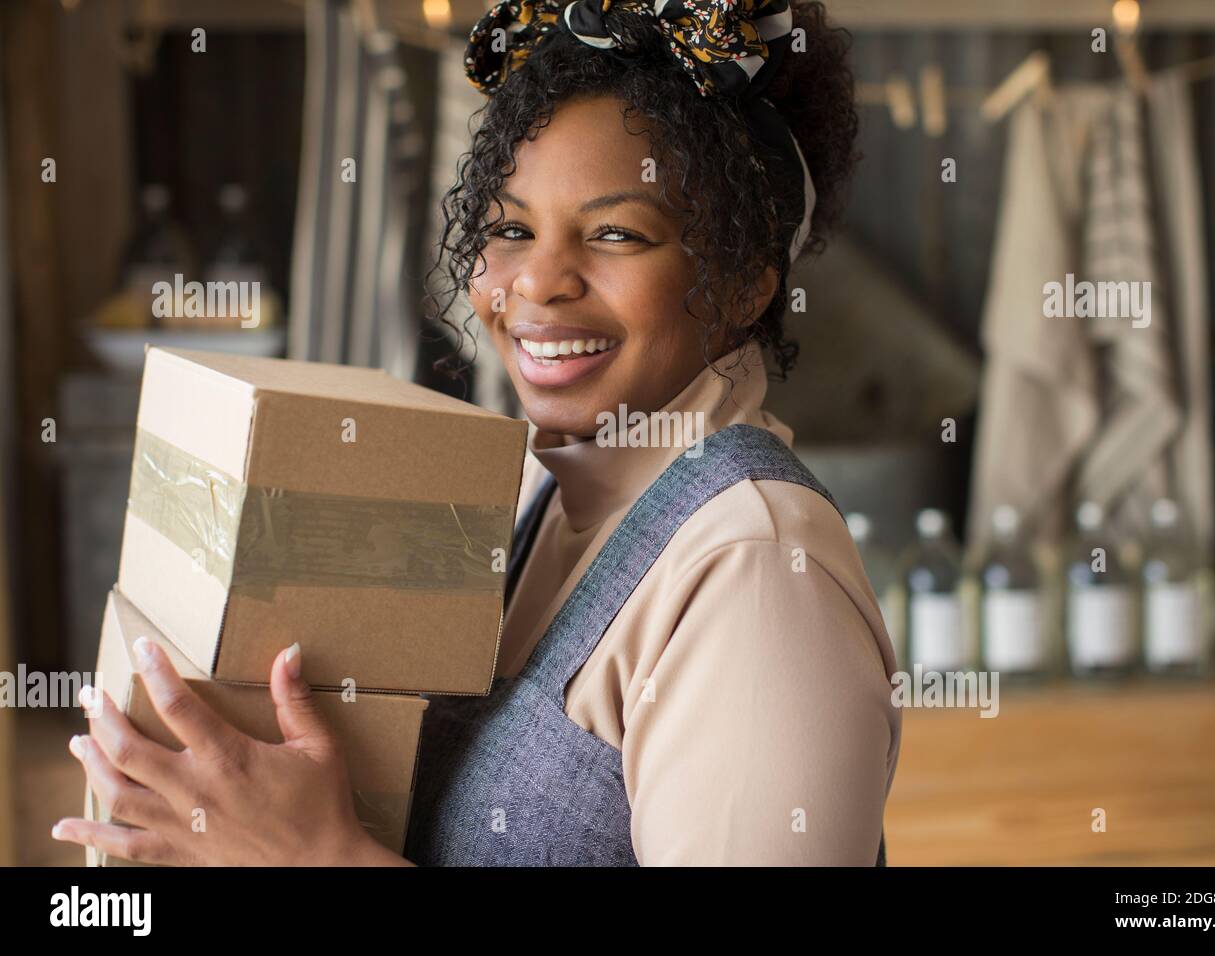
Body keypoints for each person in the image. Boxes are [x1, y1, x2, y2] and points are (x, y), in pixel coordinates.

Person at [53, 0, 900, 867]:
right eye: (511, 229)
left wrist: (314, 857)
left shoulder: (753, 571)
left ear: (747, 285)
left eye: (615, 233)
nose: (536, 283)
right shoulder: (544, 506)